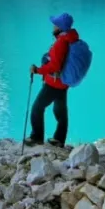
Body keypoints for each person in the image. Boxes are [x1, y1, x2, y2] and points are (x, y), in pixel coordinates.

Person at [28, 13, 80, 147]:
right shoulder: (70, 39)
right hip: (63, 83)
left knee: (37, 108)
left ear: (60, 27)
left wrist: (38, 70)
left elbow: (54, 66)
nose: (53, 26)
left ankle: (36, 137)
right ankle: (59, 139)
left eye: (55, 24)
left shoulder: (61, 43)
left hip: (54, 83)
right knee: (60, 111)